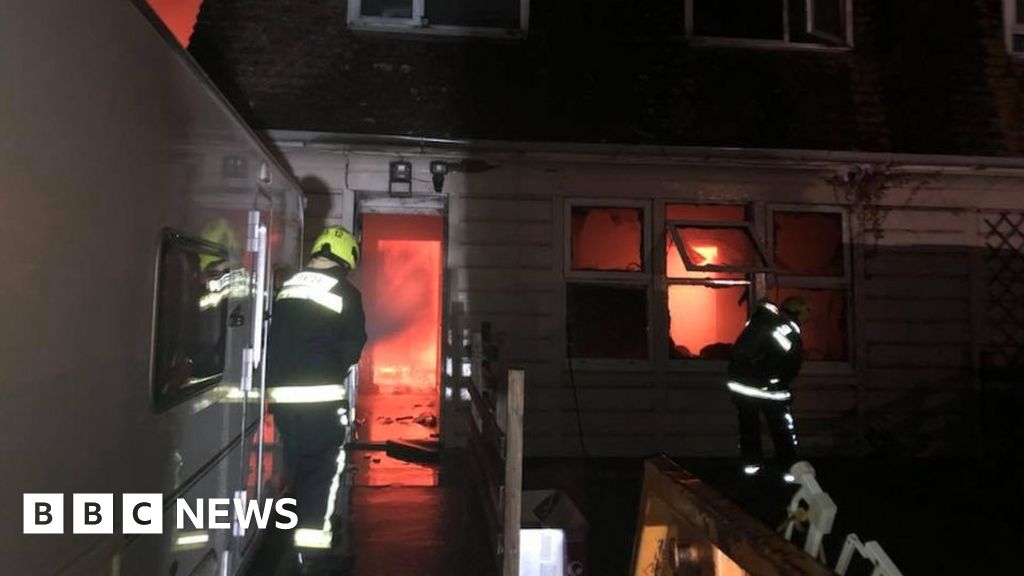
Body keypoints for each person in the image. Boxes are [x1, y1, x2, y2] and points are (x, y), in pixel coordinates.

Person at [266, 225, 367, 565]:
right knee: (322, 470)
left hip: (281, 400)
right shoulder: (347, 293)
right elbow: (353, 348)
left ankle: (286, 541)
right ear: (346, 258)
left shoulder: (286, 288)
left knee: (293, 469)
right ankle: (311, 553)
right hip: (321, 400)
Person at [726, 296, 810, 482]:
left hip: (742, 387)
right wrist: (779, 383)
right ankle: (789, 469)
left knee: (749, 427)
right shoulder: (788, 331)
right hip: (769, 390)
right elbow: (791, 365)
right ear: (800, 315)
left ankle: (751, 467)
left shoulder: (760, 324)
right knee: (782, 429)